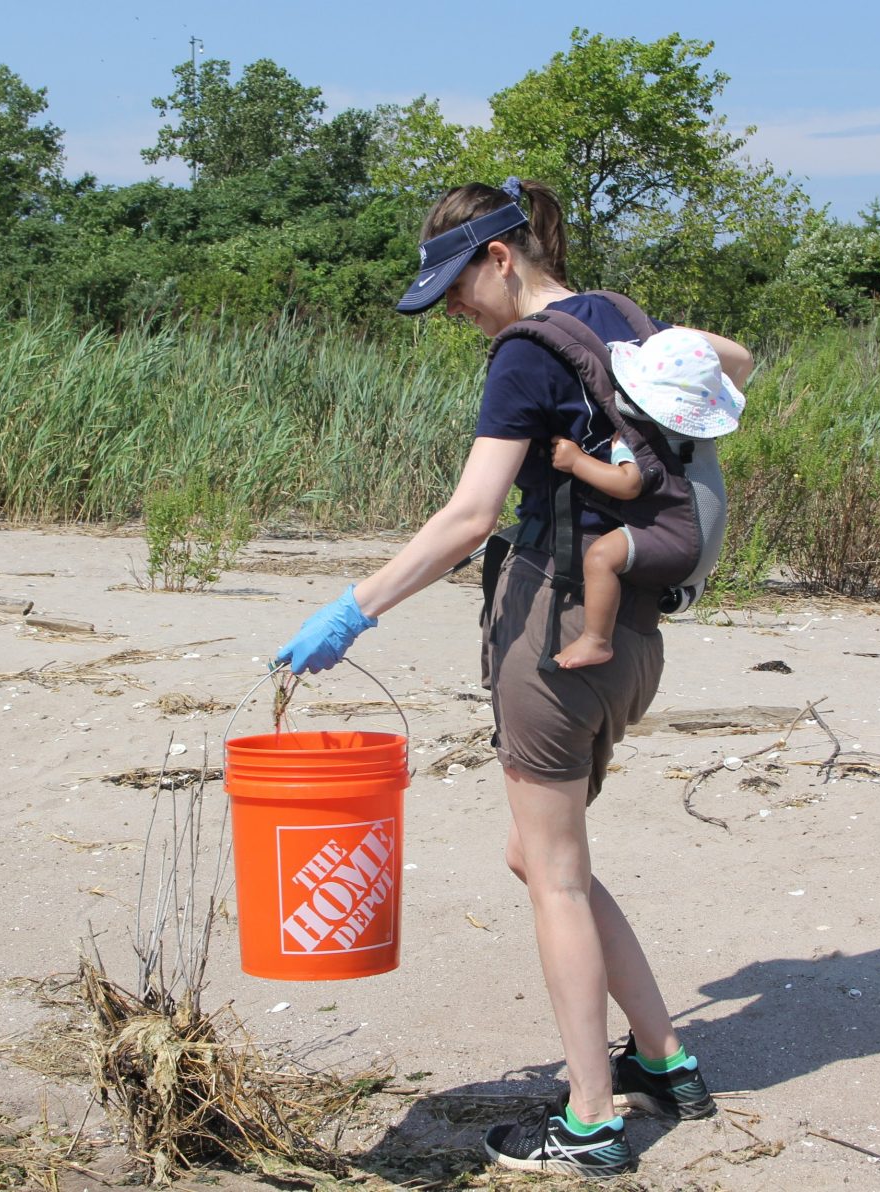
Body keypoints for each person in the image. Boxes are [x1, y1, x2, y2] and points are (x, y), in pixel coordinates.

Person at [276, 176, 754, 1179]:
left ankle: (588, 1119)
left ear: (503, 257)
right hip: (633, 643)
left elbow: (467, 517)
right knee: (538, 855)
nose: (452, 309)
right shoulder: (619, 319)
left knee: (557, 876)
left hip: (553, 629)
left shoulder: (525, 359)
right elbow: (736, 364)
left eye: (458, 285)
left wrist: (352, 610)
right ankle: (664, 1059)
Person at [548, 431, 643, 669]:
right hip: (697, 531)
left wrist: (577, 461)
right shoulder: (691, 435)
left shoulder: (632, 434)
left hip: (672, 528)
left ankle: (596, 640)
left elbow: (629, 483)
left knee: (601, 557)